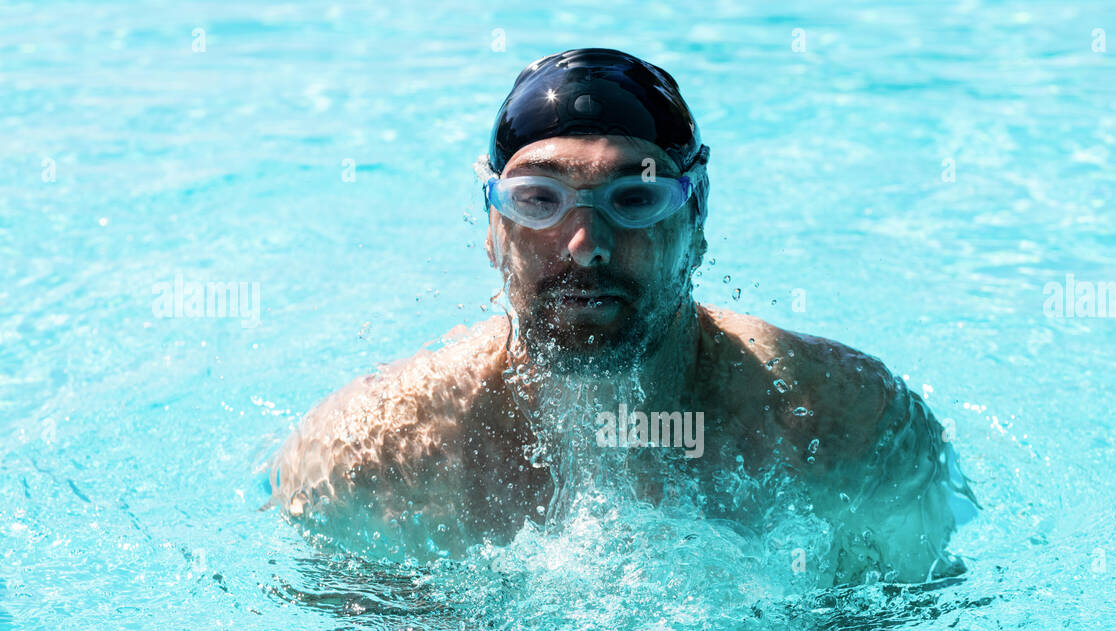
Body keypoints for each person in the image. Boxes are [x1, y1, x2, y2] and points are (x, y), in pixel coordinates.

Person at [268, 48, 977, 584]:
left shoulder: (839, 421)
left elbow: (914, 610)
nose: (585, 244)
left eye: (633, 201)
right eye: (539, 200)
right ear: (491, 225)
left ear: (695, 216)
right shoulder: (375, 451)